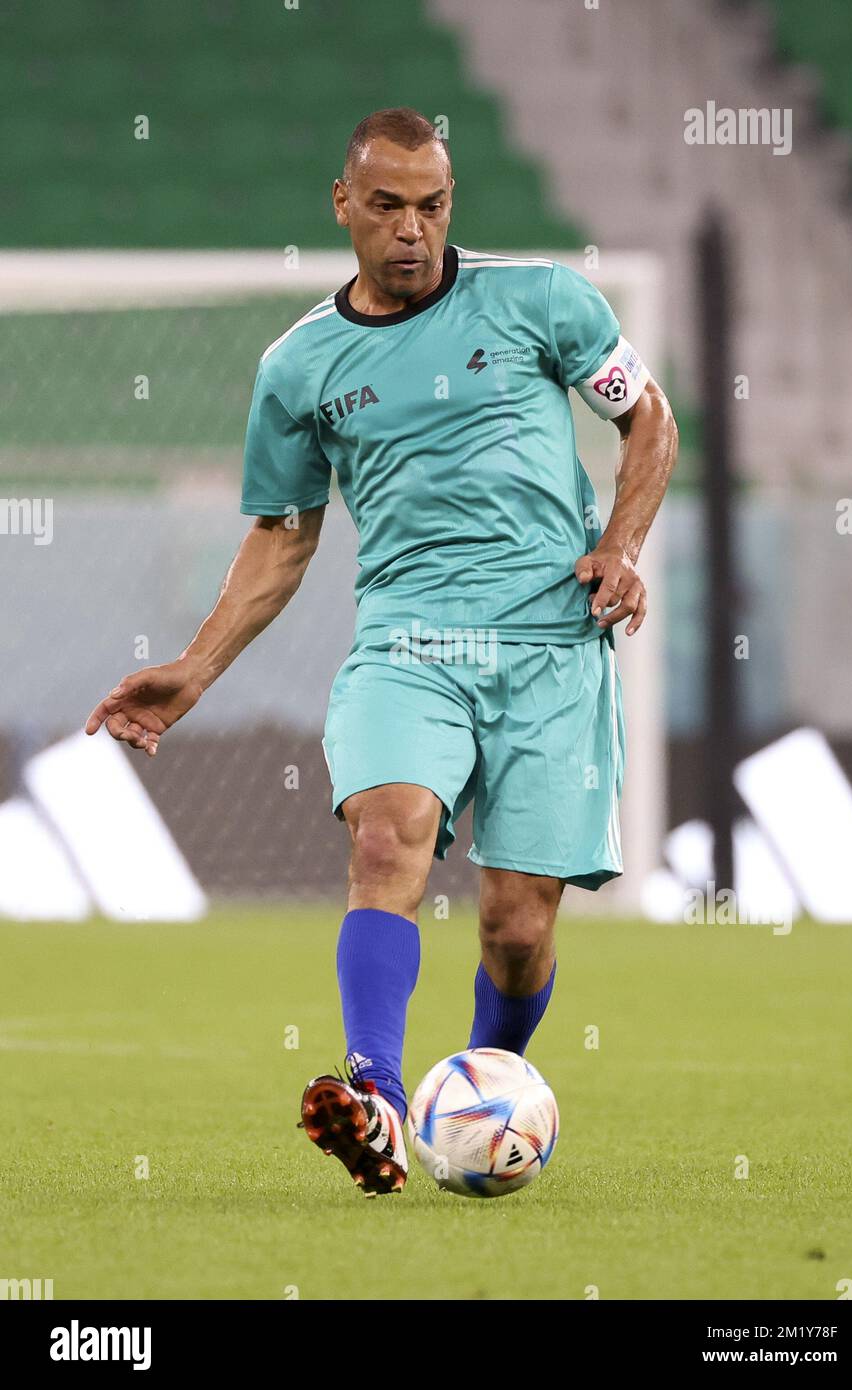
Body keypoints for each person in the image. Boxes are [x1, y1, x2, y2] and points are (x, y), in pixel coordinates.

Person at [86, 107, 678, 1196]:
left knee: (514, 925)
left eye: (433, 206)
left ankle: (486, 1090)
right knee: (388, 837)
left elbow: (649, 419)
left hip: (553, 639)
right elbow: (283, 533)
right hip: (407, 640)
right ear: (343, 205)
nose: (413, 229)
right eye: (389, 205)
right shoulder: (298, 367)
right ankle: (376, 1095)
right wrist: (194, 667)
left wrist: (620, 544)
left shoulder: (541, 300)